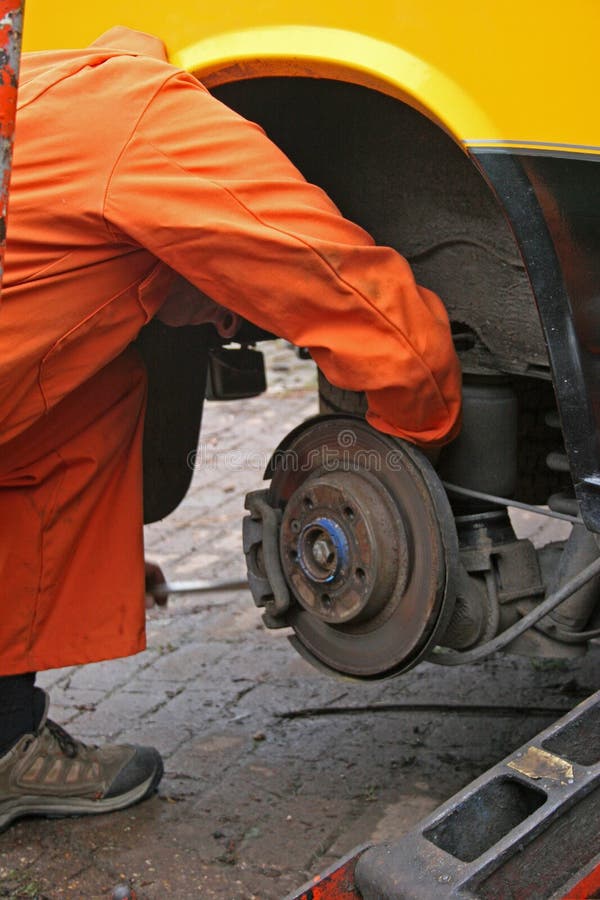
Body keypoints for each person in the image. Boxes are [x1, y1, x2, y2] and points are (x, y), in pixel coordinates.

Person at [0, 26, 461, 830]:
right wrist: (414, 430)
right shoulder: (155, 128)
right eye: (234, 312)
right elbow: (342, 287)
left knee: (92, 386)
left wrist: (86, 560)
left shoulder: (61, 107)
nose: (228, 330)